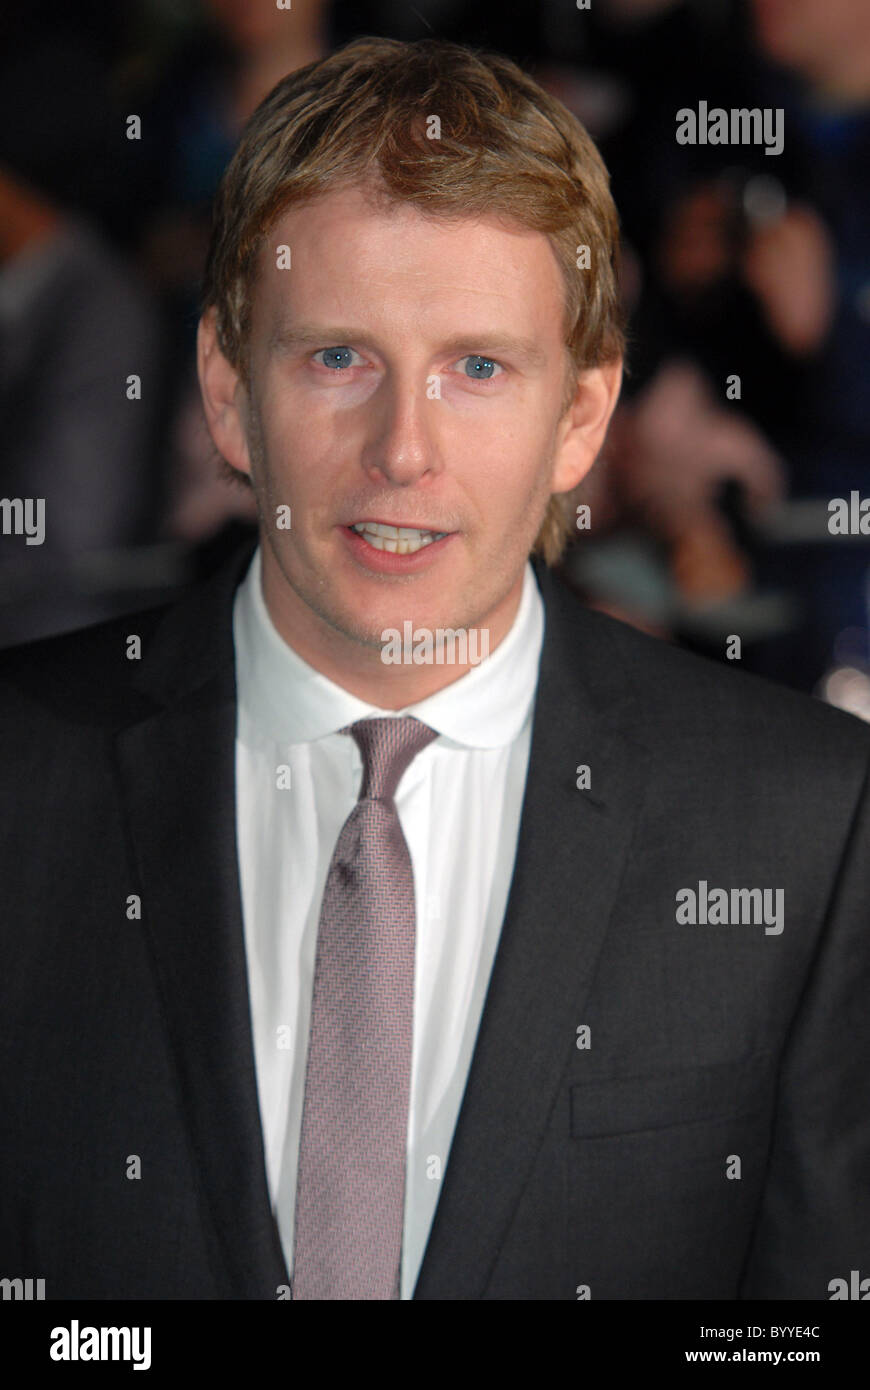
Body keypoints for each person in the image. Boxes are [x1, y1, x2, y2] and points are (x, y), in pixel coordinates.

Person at [1, 35, 868, 1302]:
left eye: (478, 367)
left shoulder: (804, 820)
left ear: (582, 417)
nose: (403, 451)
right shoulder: (22, 782)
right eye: (338, 357)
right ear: (229, 394)